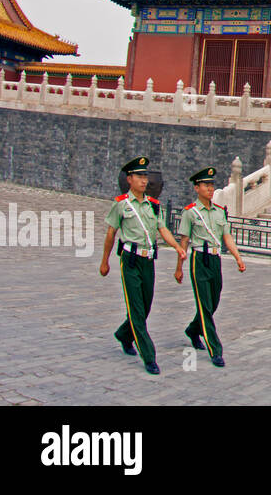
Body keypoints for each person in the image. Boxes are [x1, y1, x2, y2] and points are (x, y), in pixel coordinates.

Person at [99, 157, 186, 375]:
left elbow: (162, 229)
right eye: (139, 176)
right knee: (136, 308)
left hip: (148, 261)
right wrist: (104, 261)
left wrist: (177, 247)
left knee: (145, 306)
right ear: (129, 179)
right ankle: (149, 356)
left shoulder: (153, 206)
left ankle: (123, 334)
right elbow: (111, 234)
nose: (143, 180)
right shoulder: (121, 204)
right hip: (129, 259)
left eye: (145, 176)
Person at [174, 167, 245, 367]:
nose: (210, 188)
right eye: (206, 185)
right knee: (204, 305)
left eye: (212, 185)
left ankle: (193, 330)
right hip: (199, 260)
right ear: (197, 188)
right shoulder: (190, 213)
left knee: (213, 302)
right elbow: (184, 242)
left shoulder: (219, 212)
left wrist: (238, 257)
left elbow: (226, 237)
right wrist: (179, 267)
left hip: (215, 260)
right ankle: (216, 349)